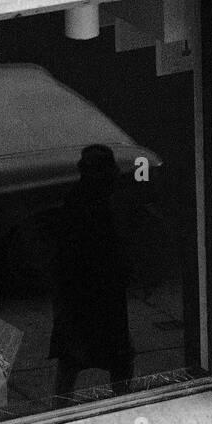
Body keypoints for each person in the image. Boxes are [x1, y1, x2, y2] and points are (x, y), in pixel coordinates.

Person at [51, 144, 135, 400]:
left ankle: (61, 405)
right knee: (117, 353)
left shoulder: (79, 200)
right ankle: (121, 400)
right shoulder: (101, 203)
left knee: (73, 355)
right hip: (98, 291)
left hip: (82, 292)